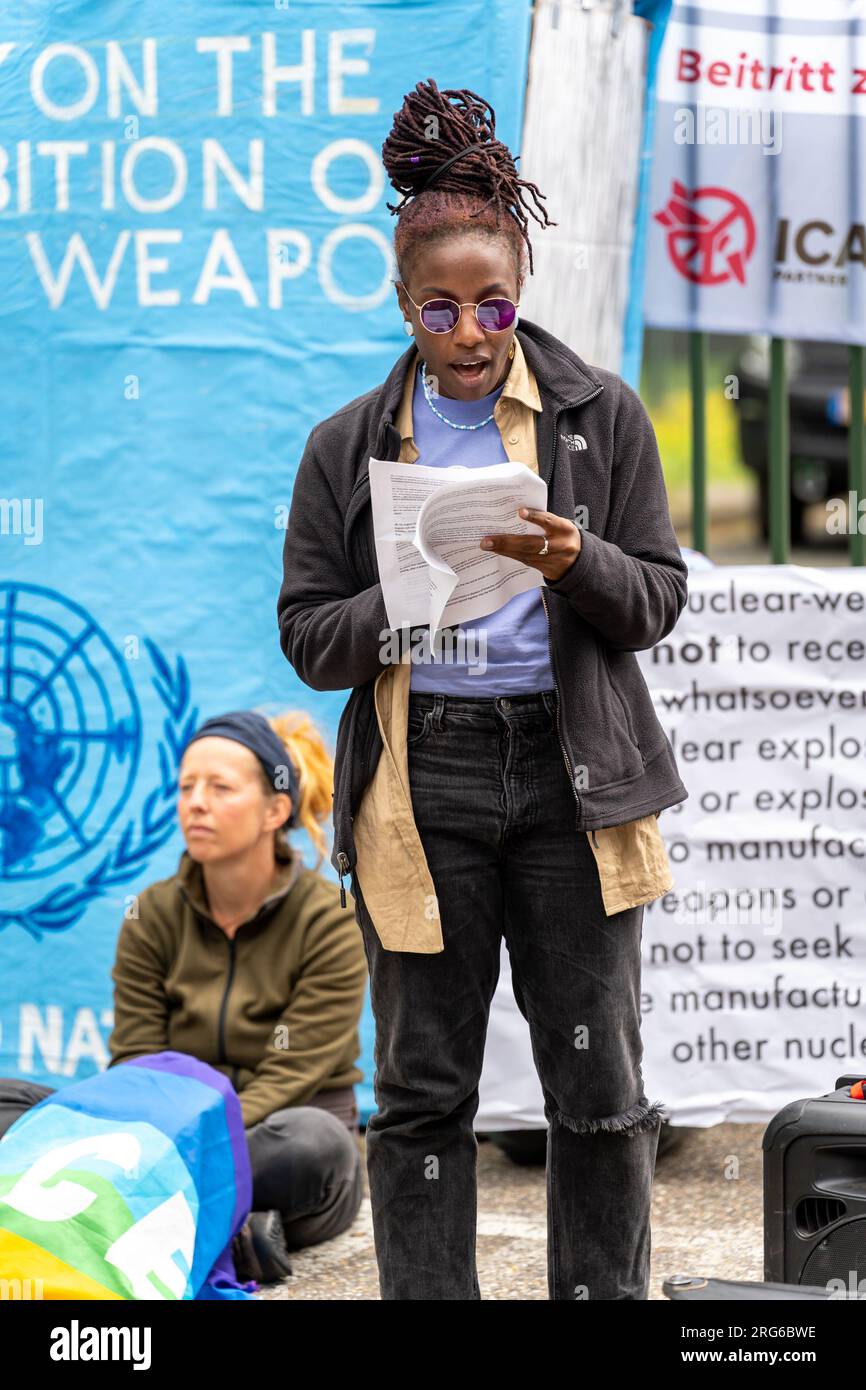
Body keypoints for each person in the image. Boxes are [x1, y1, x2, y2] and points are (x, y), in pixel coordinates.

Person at [276, 77, 690, 1300]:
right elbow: (307, 636)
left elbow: (656, 597)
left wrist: (579, 561)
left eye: (493, 302)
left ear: (522, 292)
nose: (471, 329)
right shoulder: (347, 445)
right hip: (425, 782)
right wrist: (397, 605)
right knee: (419, 1096)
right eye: (442, 307)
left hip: (571, 778)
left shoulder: (594, 417)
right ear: (403, 304)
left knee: (600, 1092)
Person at [0, 709, 369, 1286]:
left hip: (270, 1128)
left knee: (312, 1145)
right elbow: (136, 1060)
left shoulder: (330, 920)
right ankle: (231, 1229)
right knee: (8, 1101)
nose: (195, 802)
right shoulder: (152, 913)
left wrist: (167, 1149)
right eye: (186, 787)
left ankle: (137, 1213)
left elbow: (291, 1074)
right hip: (159, 1134)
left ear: (276, 810)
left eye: (220, 788)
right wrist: (136, 1140)